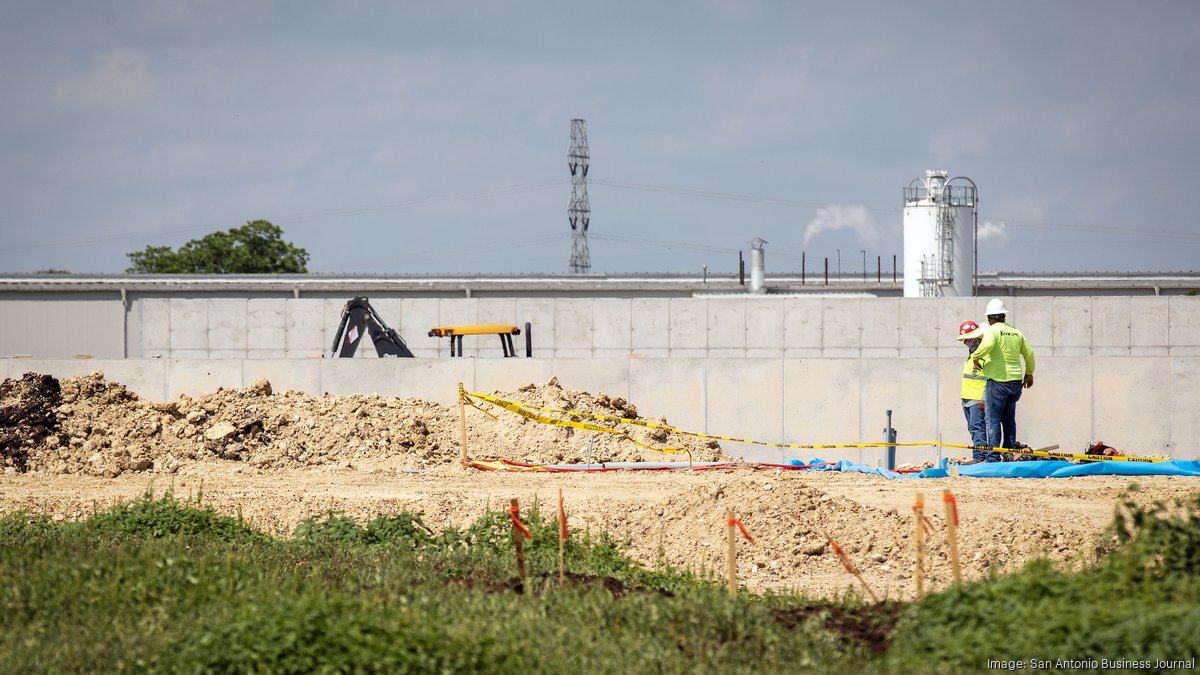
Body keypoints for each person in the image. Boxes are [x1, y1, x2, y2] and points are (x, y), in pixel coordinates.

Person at [970, 298, 1036, 456]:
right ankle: (1008, 454)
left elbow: (986, 346)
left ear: (989, 318)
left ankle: (993, 457)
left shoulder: (992, 331)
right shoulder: (1016, 332)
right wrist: (1029, 373)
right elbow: (1029, 353)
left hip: (997, 381)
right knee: (1008, 420)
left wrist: (975, 356)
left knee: (992, 419)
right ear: (1004, 316)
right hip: (1015, 382)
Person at [955, 320, 994, 462]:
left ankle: (980, 457)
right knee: (973, 428)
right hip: (967, 397)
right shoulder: (972, 354)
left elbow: (989, 378)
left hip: (977, 398)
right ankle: (980, 455)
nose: (966, 343)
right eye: (964, 340)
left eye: (968, 339)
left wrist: (984, 398)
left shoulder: (985, 355)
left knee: (978, 428)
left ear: (977, 338)